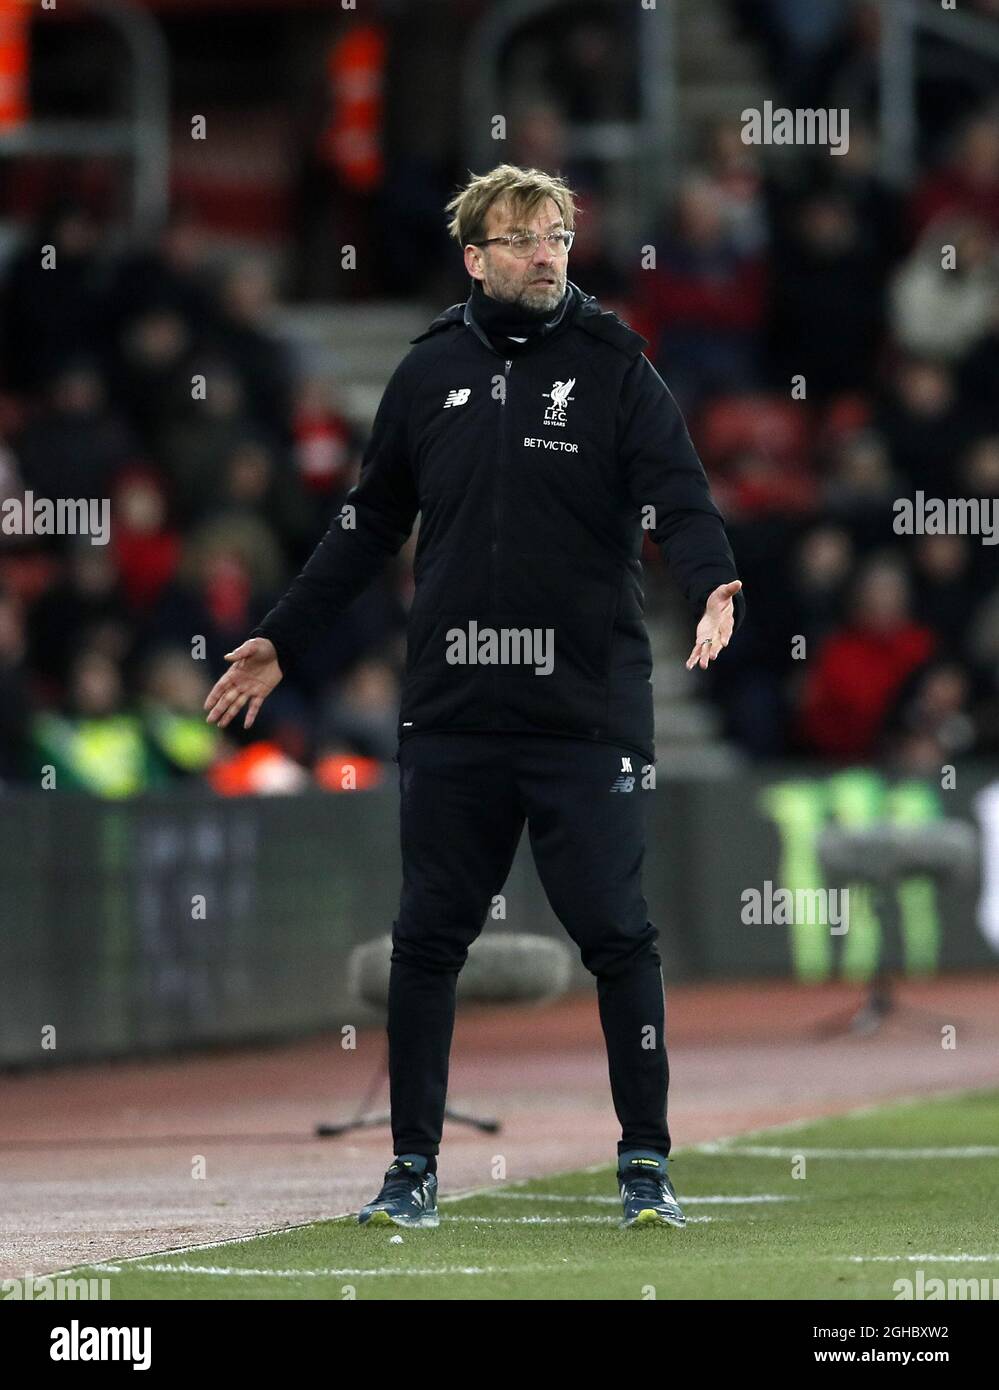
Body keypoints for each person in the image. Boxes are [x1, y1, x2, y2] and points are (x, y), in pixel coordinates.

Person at [204, 165, 744, 1230]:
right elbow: (366, 527)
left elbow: (679, 492)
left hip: (583, 711)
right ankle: (411, 1172)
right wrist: (281, 635)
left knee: (620, 936)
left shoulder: (616, 365)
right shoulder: (428, 372)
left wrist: (716, 574)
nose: (547, 249)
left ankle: (646, 1165)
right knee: (428, 939)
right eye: (522, 234)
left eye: (557, 231)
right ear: (477, 256)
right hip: (453, 708)